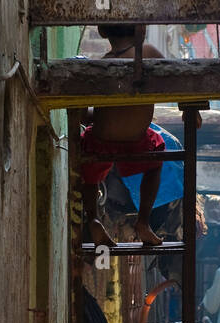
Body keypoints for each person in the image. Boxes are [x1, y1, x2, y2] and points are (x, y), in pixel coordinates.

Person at [81, 25, 166, 247]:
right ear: (141, 30)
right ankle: (143, 222)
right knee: (157, 153)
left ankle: (93, 219)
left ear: (102, 32)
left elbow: (83, 113)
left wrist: (93, 116)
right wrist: (189, 110)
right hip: (136, 141)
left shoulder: (100, 64)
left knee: (88, 170)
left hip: (100, 141)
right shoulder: (148, 52)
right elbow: (178, 80)